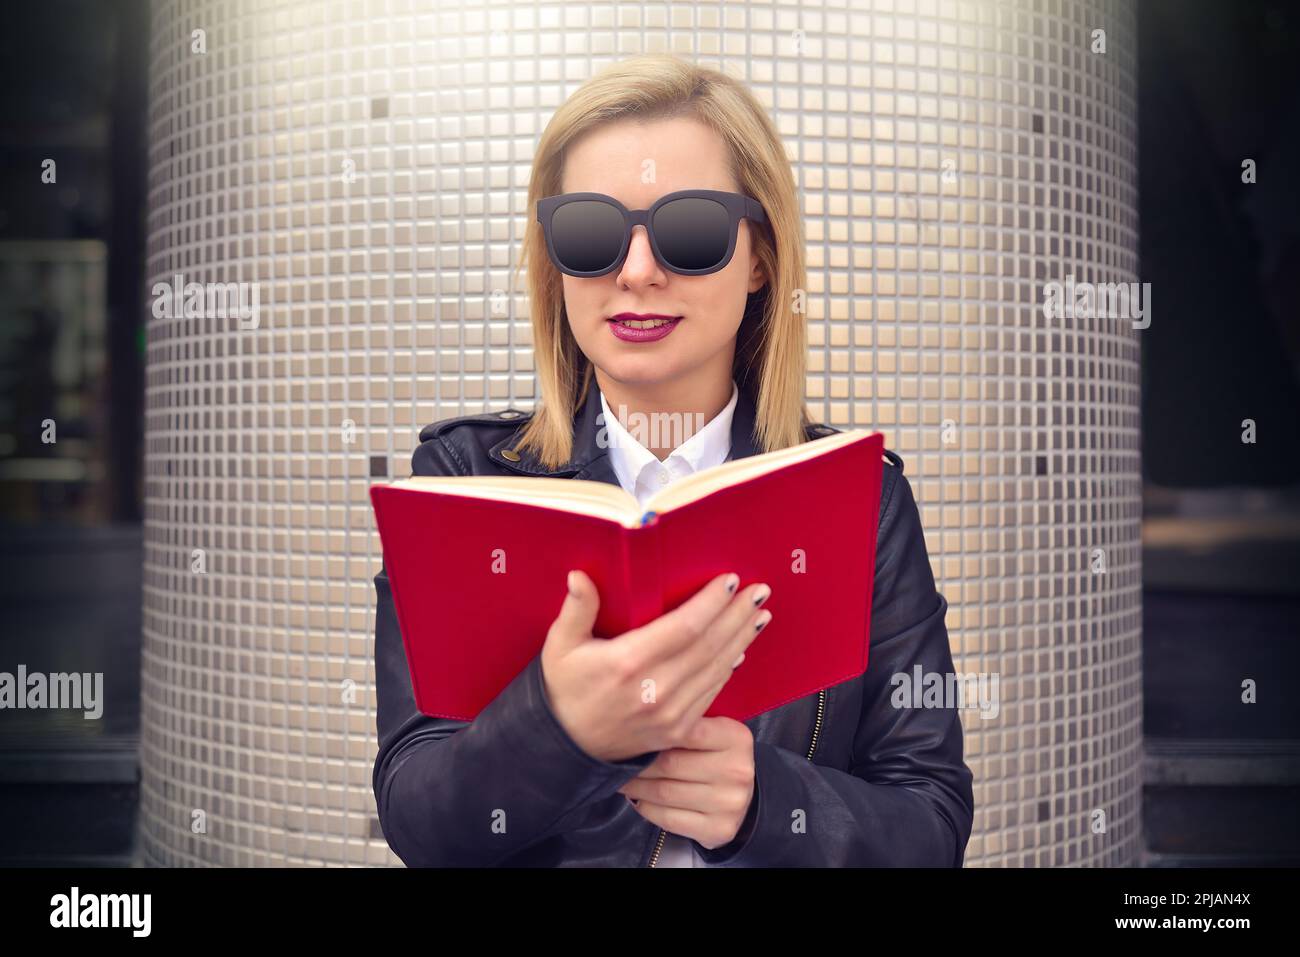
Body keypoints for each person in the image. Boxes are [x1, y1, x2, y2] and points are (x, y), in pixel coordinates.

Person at [372, 53, 974, 867]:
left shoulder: (861, 500)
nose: (637, 271)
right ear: (554, 262)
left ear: (760, 257)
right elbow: (419, 820)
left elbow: (931, 823)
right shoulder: (462, 481)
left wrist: (768, 801)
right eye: (590, 232)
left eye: (689, 230)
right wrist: (559, 728)